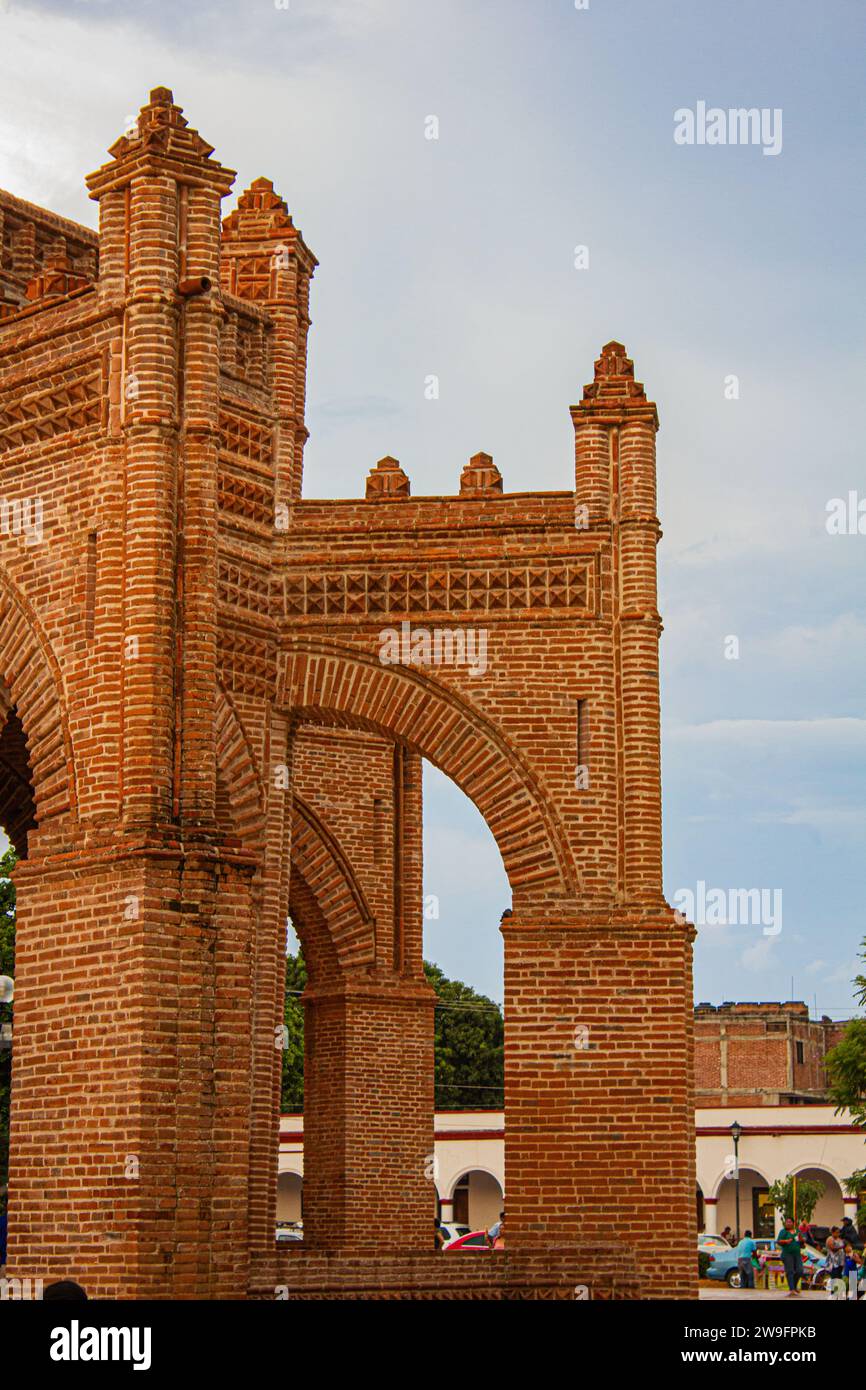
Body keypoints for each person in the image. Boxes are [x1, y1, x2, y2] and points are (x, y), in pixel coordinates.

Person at [778, 1217, 805, 1297]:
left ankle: (794, 1286)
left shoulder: (797, 1231)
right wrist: (786, 1241)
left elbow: (801, 1243)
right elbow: (779, 1241)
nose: (788, 1223)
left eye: (790, 1222)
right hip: (787, 1254)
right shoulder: (783, 1232)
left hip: (797, 1254)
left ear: (793, 1223)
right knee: (790, 1271)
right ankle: (792, 1289)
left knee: (800, 1271)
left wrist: (802, 1241)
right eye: (787, 1222)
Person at [824, 1225, 845, 1299]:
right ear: (832, 1232)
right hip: (833, 1262)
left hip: (840, 1262)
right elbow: (832, 1248)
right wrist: (841, 1247)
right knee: (834, 1277)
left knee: (839, 1277)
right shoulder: (830, 1239)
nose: (837, 1234)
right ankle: (833, 1293)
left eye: (838, 1232)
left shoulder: (839, 1239)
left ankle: (837, 1294)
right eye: (836, 1232)